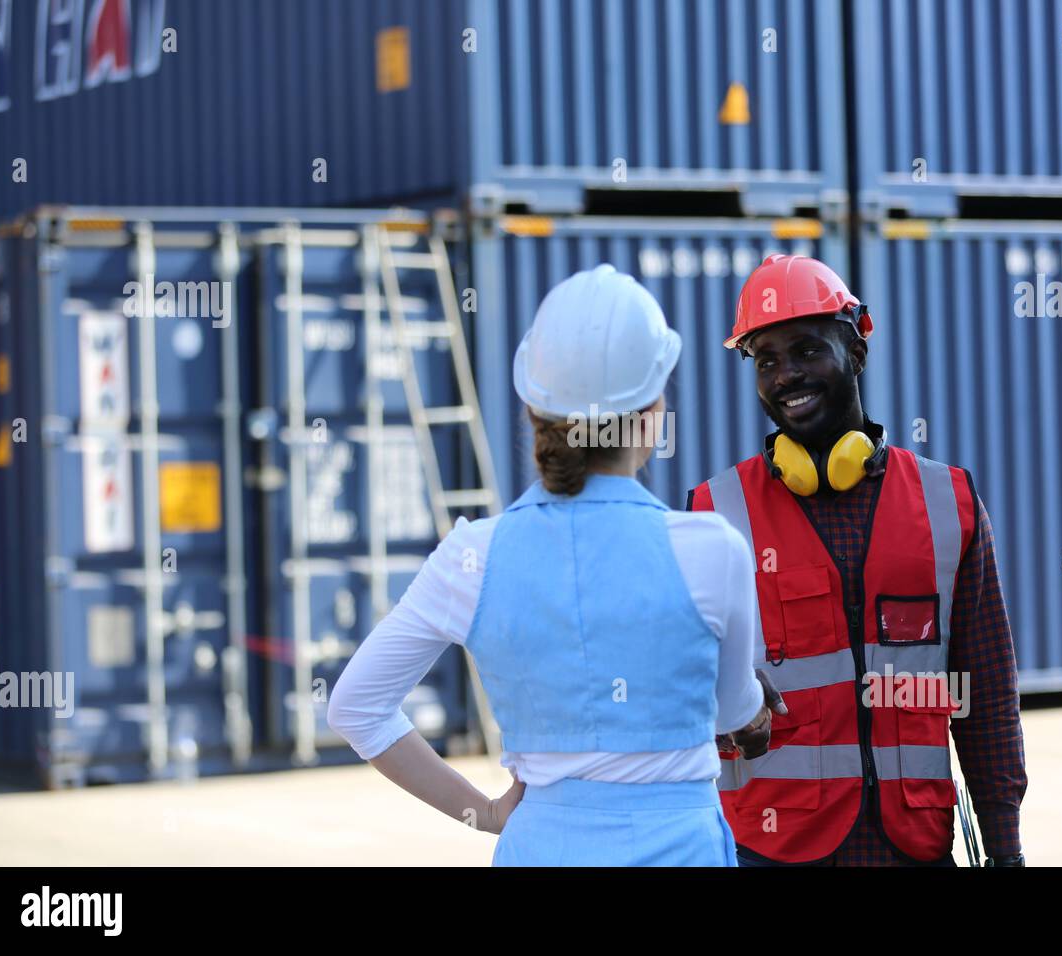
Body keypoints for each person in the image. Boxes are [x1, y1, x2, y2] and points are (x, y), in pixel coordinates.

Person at [328, 264, 782, 866]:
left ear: (534, 410)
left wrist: (484, 812)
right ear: (650, 414)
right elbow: (731, 710)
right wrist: (751, 710)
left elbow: (355, 707)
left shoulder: (473, 556)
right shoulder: (710, 549)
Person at [687, 254, 1028, 867]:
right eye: (767, 360)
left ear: (857, 353)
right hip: (770, 852)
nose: (787, 375)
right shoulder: (714, 514)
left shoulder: (950, 505)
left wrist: (1006, 851)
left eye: (807, 351)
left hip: (912, 848)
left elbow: (988, 698)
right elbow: (676, 698)